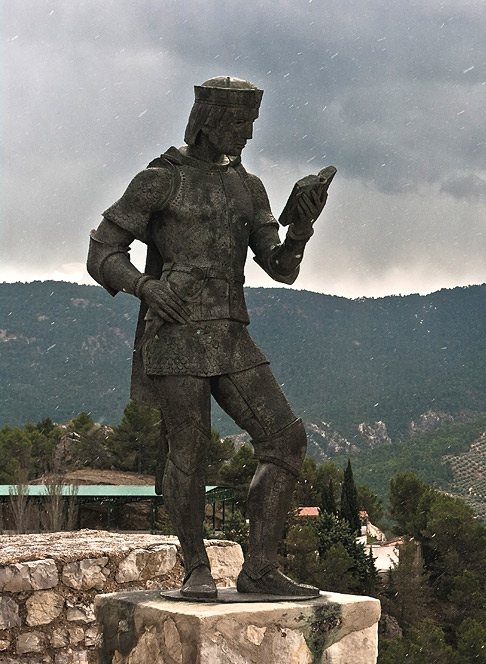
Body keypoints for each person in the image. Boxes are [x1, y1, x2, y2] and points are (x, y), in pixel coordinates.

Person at [87, 76, 330, 599]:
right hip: (174, 333)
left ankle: (259, 569)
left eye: (250, 125)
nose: (245, 135)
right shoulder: (160, 180)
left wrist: (303, 227)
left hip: (230, 331)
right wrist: (145, 287)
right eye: (238, 124)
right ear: (209, 122)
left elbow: (281, 268)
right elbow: (101, 252)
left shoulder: (249, 186)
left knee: (286, 439)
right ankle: (196, 565)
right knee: (189, 449)